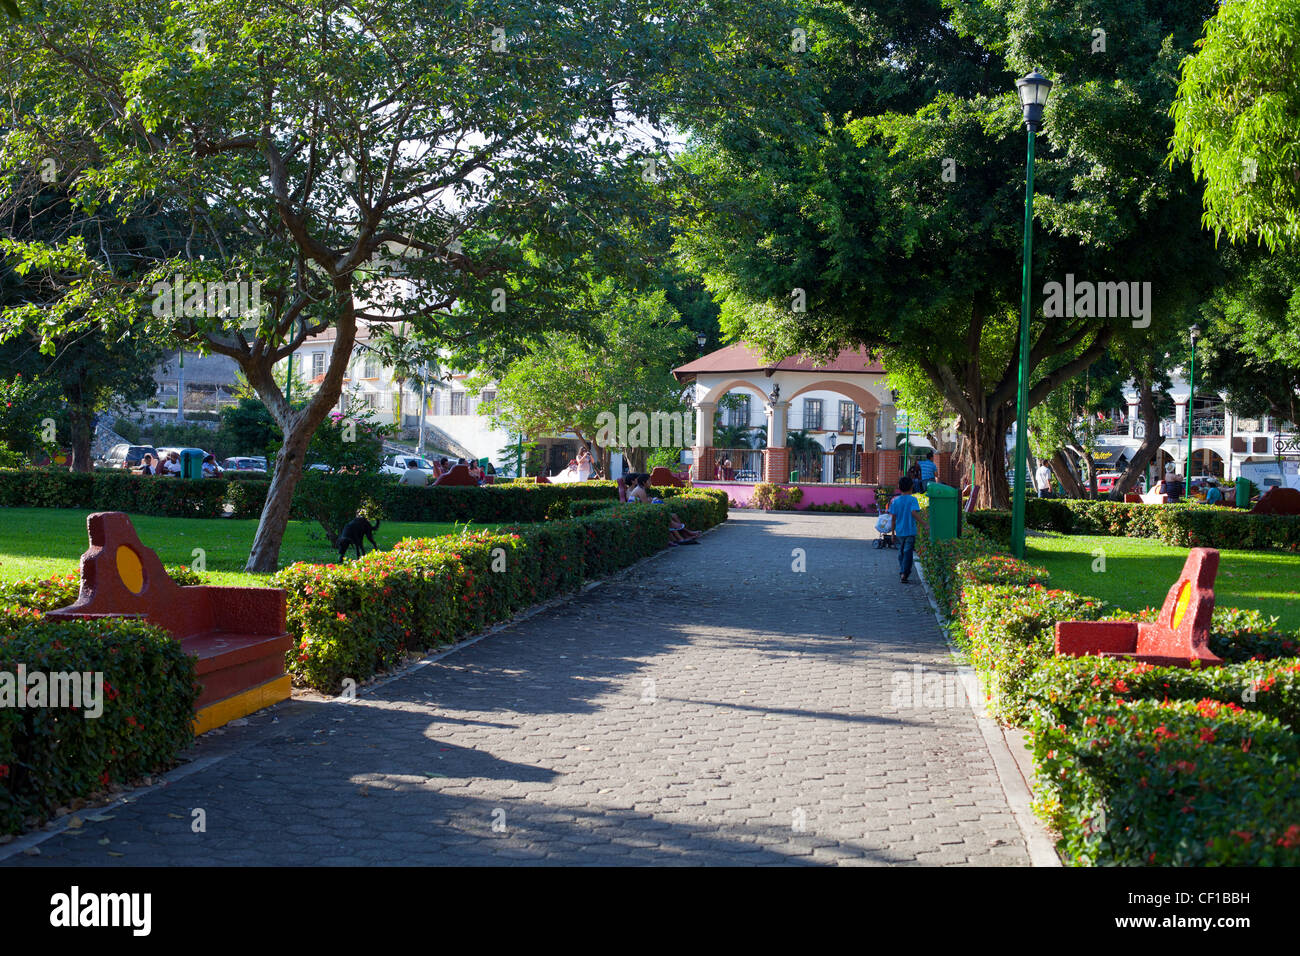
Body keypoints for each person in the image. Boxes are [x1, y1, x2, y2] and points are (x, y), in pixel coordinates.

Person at [888, 476, 921, 584]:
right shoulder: (913, 500)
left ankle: (903, 572)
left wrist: (892, 533)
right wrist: (924, 523)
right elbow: (914, 513)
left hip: (900, 532)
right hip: (910, 531)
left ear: (899, 487)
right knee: (908, 552)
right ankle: (904, 573)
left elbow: (893, 518)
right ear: (912, 487)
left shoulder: (895, 501)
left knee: (901, 552)